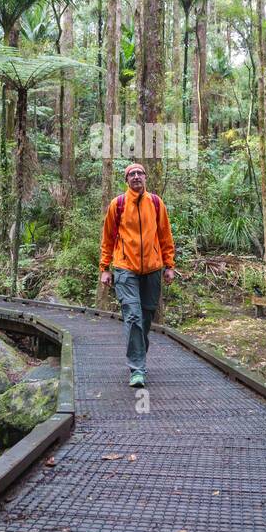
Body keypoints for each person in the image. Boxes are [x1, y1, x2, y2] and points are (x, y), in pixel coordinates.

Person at [99, 162, 176, 387]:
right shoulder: (118, 204)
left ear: (145, 177)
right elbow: (108, 239)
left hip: (153, 269)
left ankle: (138, 356)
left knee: (146, 316)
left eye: (139, 173)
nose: (135, 177)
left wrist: (169, 265)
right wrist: (104, 268)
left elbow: (165, 236)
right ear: (126, 180)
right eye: (131, 174)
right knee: (132, 316)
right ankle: (137, 369)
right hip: (125, 269)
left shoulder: (156, 203)